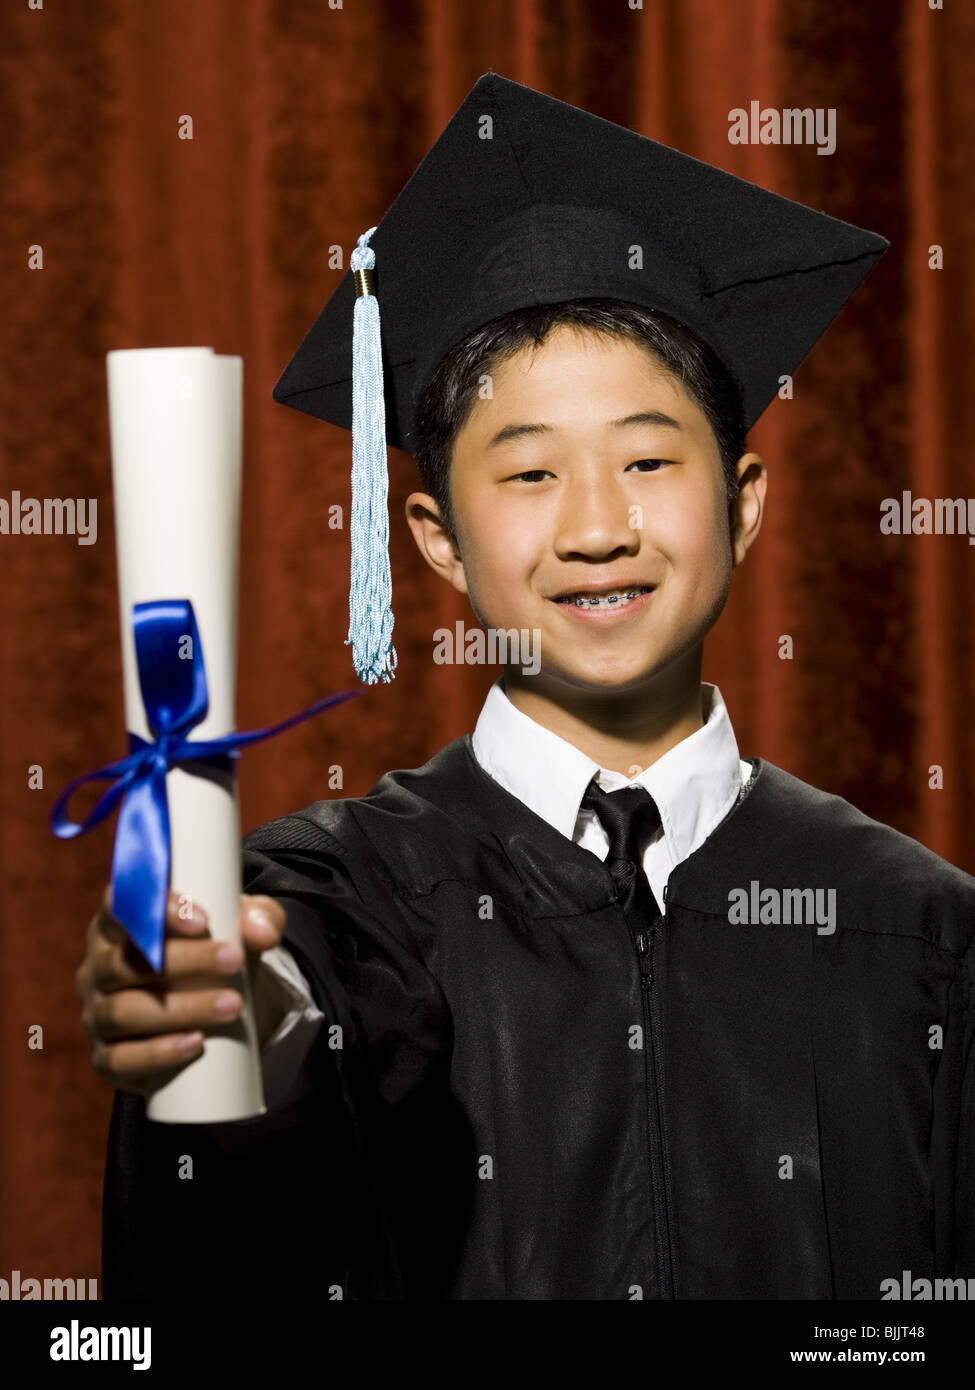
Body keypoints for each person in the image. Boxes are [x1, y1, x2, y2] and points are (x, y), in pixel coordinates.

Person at [78, 72, 974, 1300]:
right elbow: (291, 1045)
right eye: (530, 474)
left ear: (745, 503)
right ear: (438, 542)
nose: (598, 527)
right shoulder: (338, 903)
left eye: (650, 458)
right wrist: (229, 1015)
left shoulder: (916, 928)